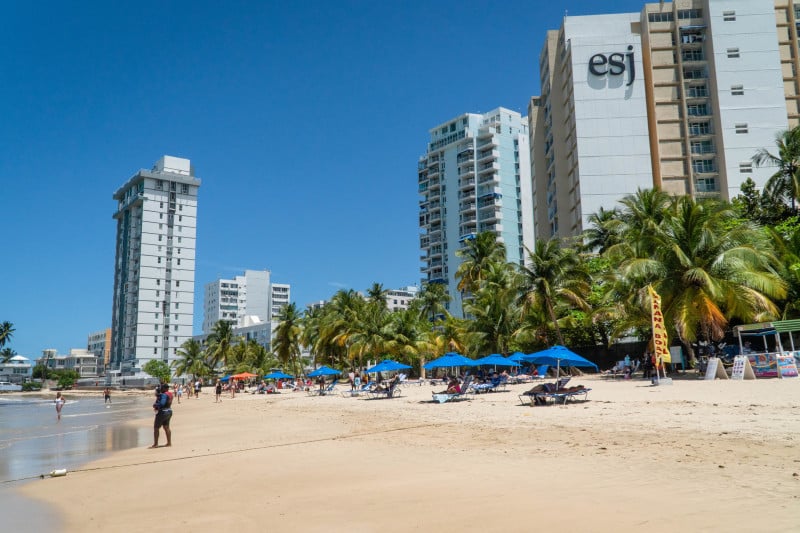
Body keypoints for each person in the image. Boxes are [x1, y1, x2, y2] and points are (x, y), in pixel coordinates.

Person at [150, 383, 173, 448]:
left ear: (165, 388)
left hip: (163, 412)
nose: (161, 389)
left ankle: (156, 444)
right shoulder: (170, 394)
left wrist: (155, 405)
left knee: (156, 428)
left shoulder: (164, 395)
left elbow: (162, 403)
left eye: (162, 388)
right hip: (169, 411)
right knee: (166, 427)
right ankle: (169, 443)